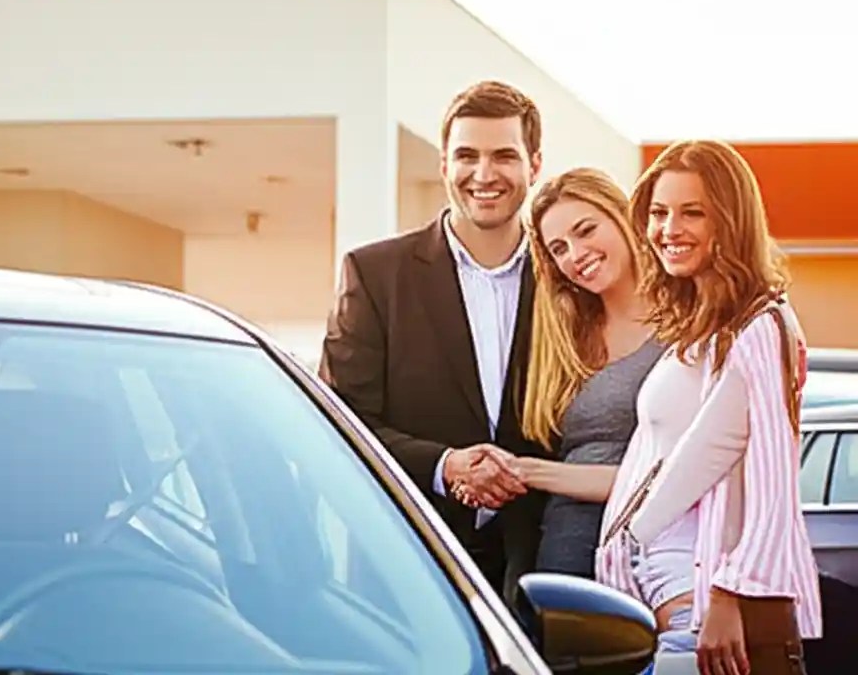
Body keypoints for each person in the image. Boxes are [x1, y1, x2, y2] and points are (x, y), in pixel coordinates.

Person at [318, 80, 547, 607]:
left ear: (534, 165)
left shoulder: (567, 280)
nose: (483, 174)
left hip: (542, 574)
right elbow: (342, 422)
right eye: (467, 156)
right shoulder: (374, 274)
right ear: (444, 164)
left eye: (504, 156)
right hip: (405, 565)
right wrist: (446, 466)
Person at [596, 140, 821, 675]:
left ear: (729, 220)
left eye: (691, 212)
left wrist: (728, 593)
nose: (668, 229)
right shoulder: (698, 327)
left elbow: (772, 480)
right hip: (660, 592)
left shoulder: (762, 326)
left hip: (699, 605)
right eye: (658, 213)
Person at [461, 167, 664, 579]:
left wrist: (527, 471)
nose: (576, 254)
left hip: (650, 561)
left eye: (586, 230)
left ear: (623, 217)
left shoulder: (684, 331)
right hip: (562, 554)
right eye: (559, 249)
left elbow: (670, 475)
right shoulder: (565, 339)